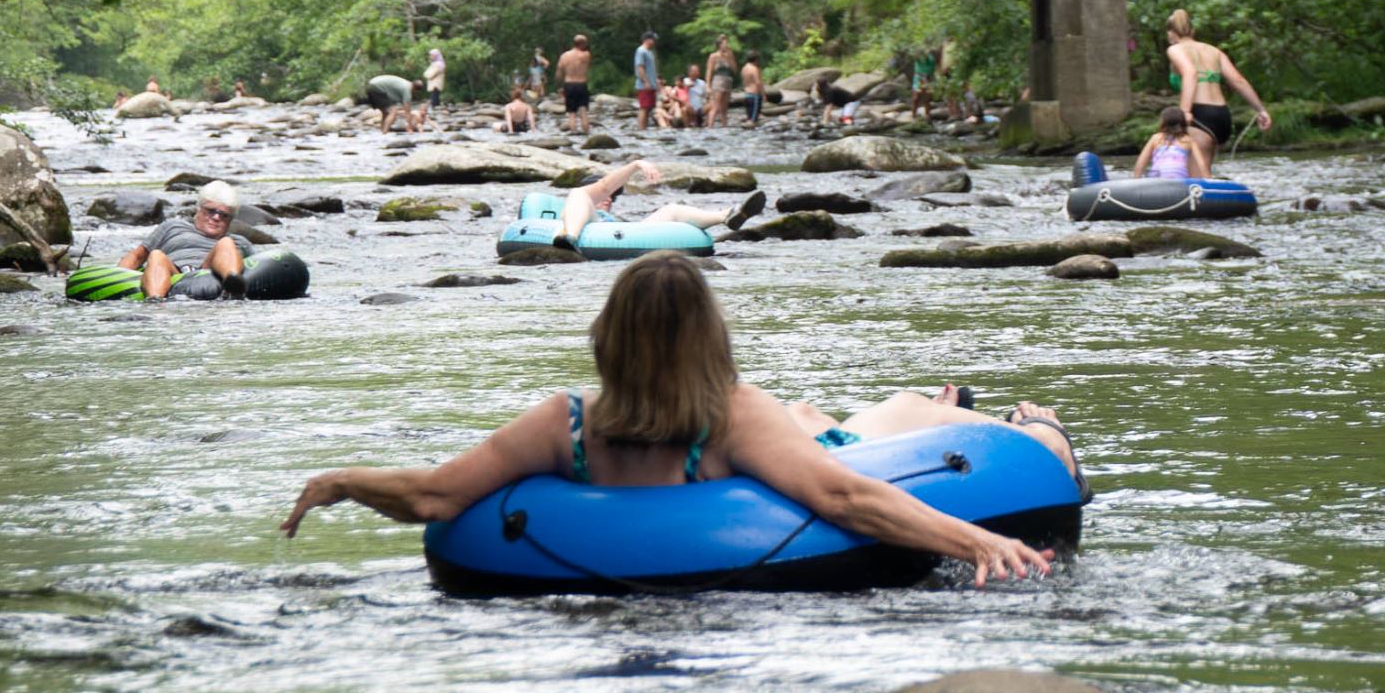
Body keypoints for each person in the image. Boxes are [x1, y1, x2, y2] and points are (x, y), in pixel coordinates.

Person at [280, 254, 1069, 589]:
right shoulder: (732, 413)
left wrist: (345, 480)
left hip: (762, 452)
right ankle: (993, 414)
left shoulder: (566, 424)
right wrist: (980, 539)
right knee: (895, 412)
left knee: (809, 414)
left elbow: (433, 496)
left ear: (607, 335)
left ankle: (935, 407)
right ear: (710, 337)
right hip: (788, 452)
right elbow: (845, 500)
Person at [554, 159, 764, 249]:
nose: (608, 199)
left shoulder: (612, 219)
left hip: (622, 234)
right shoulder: (576, 204)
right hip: (585, 228)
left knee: (671, 210)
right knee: (580, 195)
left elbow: (608, 191)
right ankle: (570, 238)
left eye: (612, 198)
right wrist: (637, 164)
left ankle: (727, 214)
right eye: (604, 198)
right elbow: (605, 186)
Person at [1165, 9, 1270, 171]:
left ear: (1171, 33)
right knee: (1204, 172)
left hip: (1199, 116)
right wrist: (1261, 110)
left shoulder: (1175, 49)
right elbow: (1238, 81)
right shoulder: (1214, 50)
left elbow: (1190, 73)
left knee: (1197, 181)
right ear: (1193, 31)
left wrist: (1184, 112)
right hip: (1222, 116)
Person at [117, 182, 248, 301]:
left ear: (231, 220)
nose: (216, 217)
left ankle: (233, 283)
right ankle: (155, 300)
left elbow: (260, 266)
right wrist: (117, 277)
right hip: (174, 273)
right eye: (211, 211)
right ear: (199, 209)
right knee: (156, 255)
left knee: (225, 243)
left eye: (224, 215)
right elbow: (137, 256)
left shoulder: (239, 242)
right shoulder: (172, 227)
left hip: (211, 272)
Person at [1132, 106, 1208, 179]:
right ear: (1182, 123)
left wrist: (1136, 179)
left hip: (1157, 176)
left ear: (1163, 122)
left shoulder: (1156, 138)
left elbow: (1141, 162)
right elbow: (1201, 164)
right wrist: (1209, 180)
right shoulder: (1188, 140)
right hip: (1179, 176)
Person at [556, 34, 594, 134]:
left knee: (571, 112)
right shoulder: (586, 55)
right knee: (583, 110)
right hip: (581, 84)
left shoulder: (564, 56)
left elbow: (559, 72)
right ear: (582, 43)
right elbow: (587, 67)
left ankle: (574, 132)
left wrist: (559, 86)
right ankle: (586, 132)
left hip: (569, 84)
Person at [705, 37, 738, 127]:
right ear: (719, 45)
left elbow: (735, 70)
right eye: (724, 43)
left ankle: (724, 126)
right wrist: (707, 85)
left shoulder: (730, 55)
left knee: (724, 108)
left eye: (727, 43)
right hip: (718, 81)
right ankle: (710, 126)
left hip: (728, 80)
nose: (726, 45)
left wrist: (730, 58)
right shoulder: (713, 56)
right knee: (716, 106)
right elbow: (709, 71)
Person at [633, 31, 660, 131]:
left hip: (651, 84)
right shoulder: (641, 51)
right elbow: (640, 67)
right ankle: (641, 128)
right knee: (644, 107)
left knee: (649, 107)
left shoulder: (650, 52)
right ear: (647, 40)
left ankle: (645, 127)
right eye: (653, 39)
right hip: (644, 85)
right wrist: (645, 82)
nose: (654, 42)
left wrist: (656, 83)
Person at [910, 44, 945, 117]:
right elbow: (916, 57)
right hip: (920, 77)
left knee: (927, 97)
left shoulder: (933, 58)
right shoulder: (920, 57)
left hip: (929, 78)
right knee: (916, 97)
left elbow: (939, 65)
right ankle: (914, 114)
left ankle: (927, 114)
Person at [739, 52, 764, 126]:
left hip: (747, 95)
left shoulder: (744, 68)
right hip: (755, 95)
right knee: (753, 119)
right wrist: (763, 94)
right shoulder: (754, 68)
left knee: (749, 117)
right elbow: (758, 82)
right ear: (756, 59)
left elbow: (744, 82)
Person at [423, 49, 446, 117]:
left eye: (432, 55)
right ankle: (436, 113)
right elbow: (426, 73)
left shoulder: (439, 64)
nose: (430, 56)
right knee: (435, 98)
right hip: (434, 84)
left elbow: (429, 75)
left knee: (434, 99)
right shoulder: (434, 64)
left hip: (436, 84)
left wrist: (427, 74)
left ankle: (435, 113)